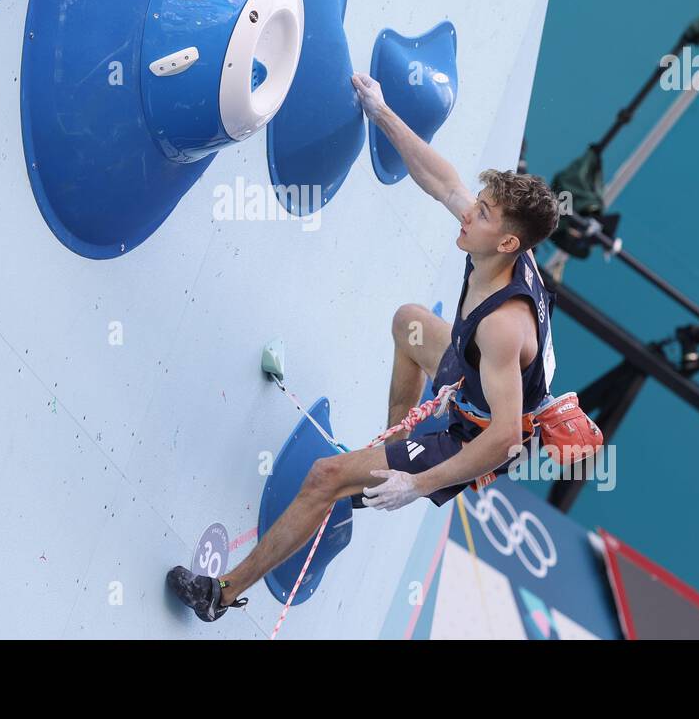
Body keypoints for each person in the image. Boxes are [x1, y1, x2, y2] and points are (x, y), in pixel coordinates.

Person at [167, 72, 570, 622]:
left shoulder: (504, 326)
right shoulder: (498, 244)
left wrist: (416, 484)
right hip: (473, 377)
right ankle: (389, 450)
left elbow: (502, 438)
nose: (467, 211)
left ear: (506, 242)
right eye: (478, 203)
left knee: (324, 478)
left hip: (476, 432)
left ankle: (221, 593)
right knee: (409, 324)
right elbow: (441, 180)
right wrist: (381, 111)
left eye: (481, 213)